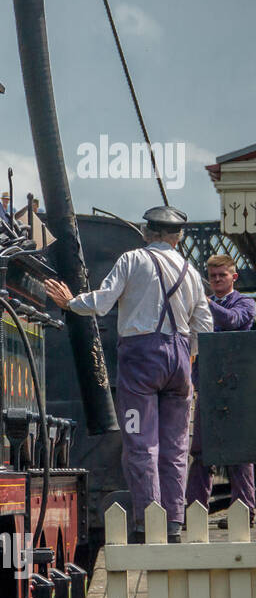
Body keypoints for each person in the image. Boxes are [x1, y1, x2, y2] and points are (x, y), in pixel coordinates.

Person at [44, 205, 213, 542]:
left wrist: (70, 303)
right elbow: (204, 325)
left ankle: (147, 520)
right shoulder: (190, 271)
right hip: (180, 359)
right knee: (176, 446)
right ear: (178, 238)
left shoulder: (132, 260)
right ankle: (174, 523)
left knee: (141, 443)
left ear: (148, 232)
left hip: (140, 359)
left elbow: (103, 302)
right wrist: (188, 360)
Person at [186, 254, 255, 521]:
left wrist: (203, 303)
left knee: (241, 450)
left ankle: (245, 510)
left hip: (237, 387)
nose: (216, 280)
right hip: (209, 384)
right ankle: (195, 510)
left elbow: (234, 321)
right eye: (212, 276)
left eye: (221, 276)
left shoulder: (246, 303)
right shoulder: (209, 304)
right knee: (202, 450)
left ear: (233, 277)